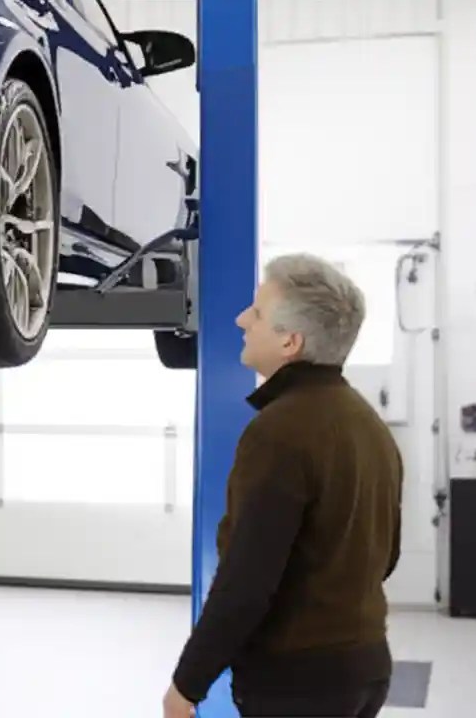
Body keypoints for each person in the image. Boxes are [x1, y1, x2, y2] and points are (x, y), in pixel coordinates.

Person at [162, 253, 403, 718]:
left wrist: (186, 685)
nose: (241, 320)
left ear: (290, 341)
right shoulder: (369, 425)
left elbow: (246, 581)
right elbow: (384, 556)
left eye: (256, 312)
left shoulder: (280, 431)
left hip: (297, 683)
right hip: (366, 667)